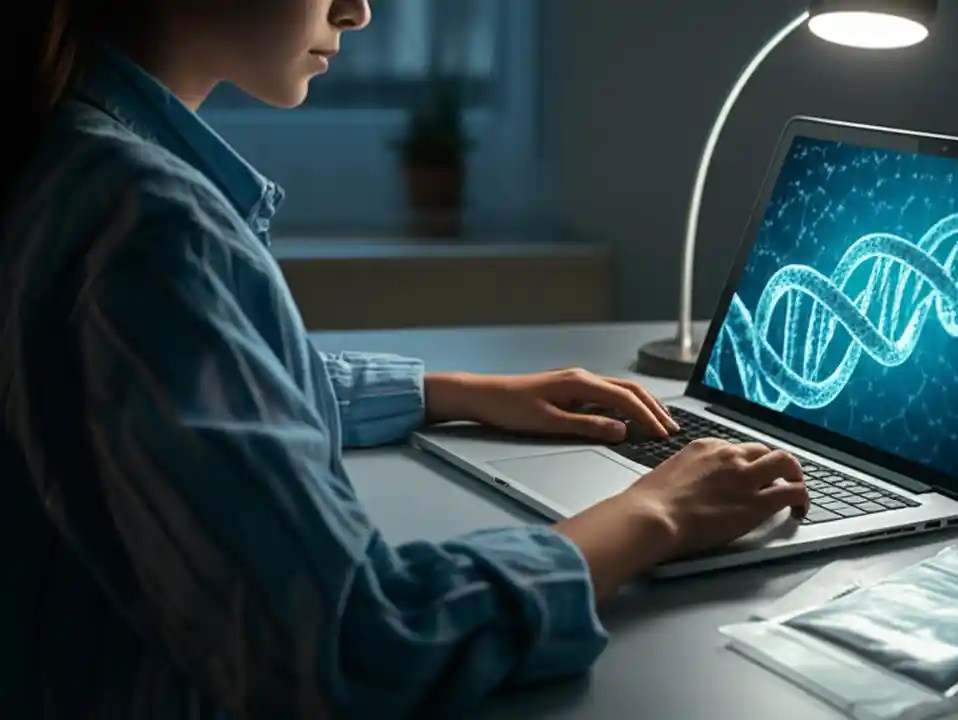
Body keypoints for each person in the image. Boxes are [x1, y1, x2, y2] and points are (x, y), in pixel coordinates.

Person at [1, 1, 810, 717]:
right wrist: (654, 513)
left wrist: (455, 391)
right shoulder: (150, 226)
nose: (357, 12)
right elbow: (355, 645)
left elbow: (186, 391)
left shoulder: (71, 155)